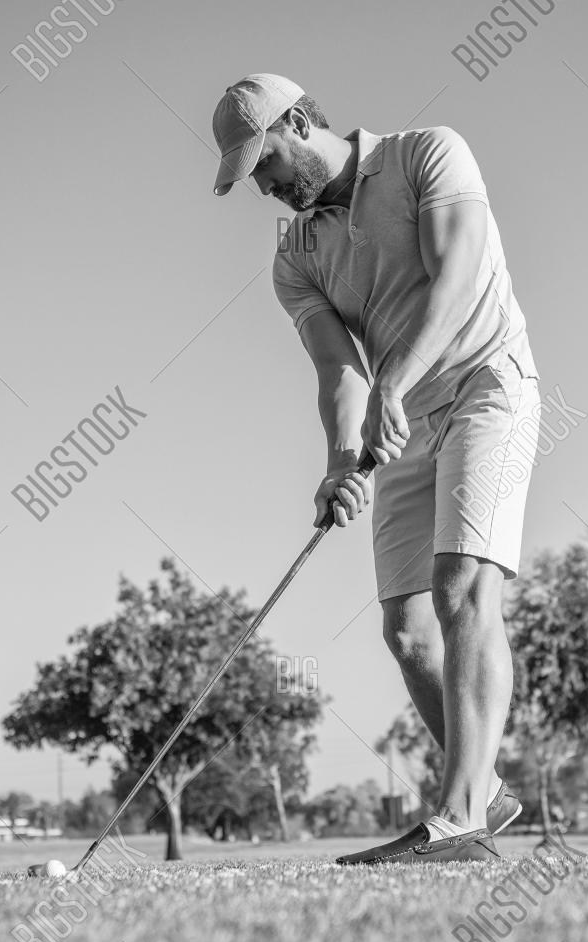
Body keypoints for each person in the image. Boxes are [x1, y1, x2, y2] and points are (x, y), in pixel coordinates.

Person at [212, 75, 541, 864]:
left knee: (462, 585)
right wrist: (339, 465)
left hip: (485, 388)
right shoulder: (295, 257)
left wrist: (395, 383)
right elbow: (338, 370)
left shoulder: (427, 153)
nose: (265, 187)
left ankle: (458, 817)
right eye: (251, 177)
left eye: (266, 162)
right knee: (407, 630)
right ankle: (487, 794)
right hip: (404, 422)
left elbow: (457, 275)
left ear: (299, 121)